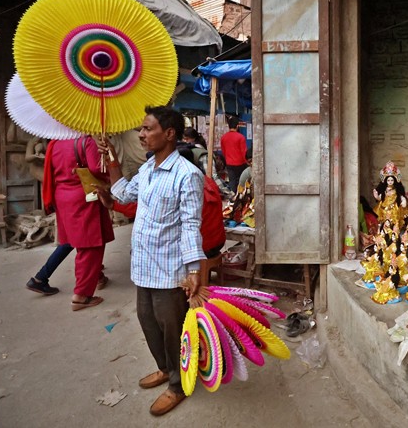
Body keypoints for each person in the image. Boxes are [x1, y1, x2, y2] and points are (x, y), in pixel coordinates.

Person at [98, 106, 207, 417]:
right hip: (143, 267)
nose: (141, 134)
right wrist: (112, 162)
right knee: (148, 323)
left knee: (172, 331)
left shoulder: (188, 176)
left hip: (170, 271)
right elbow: (126, 194)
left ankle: (178, 384)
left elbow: (190, 226)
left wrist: (193, 269)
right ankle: (164, 368)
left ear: (169, 134)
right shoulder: (147, 169)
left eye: (147, 129)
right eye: (141, 130)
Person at [27, 137, 113, 309]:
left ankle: (96, 276)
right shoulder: (85, 142)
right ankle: (81, 296)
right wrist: (108, 161)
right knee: (90, 245)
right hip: (83, 196)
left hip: (62, 196)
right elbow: (96, 169)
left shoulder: (54, 143)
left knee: (78, 241)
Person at [220, 114, 248, 194]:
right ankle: (240, 199)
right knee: (241, 182)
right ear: (237, 126)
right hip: (241, 163)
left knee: (232, 181)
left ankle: (232, 198)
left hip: (229, 163)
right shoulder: (241, 137)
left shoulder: (223, 137)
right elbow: (244, 152)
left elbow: (223, 151)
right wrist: (247, 162)